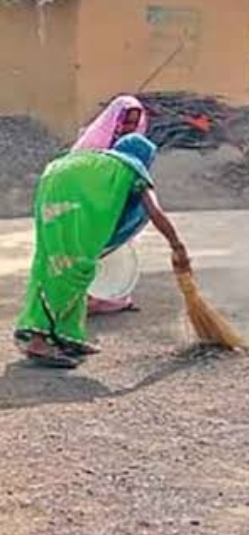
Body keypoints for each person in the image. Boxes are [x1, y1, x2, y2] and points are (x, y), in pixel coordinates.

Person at [14, 134, 190, 368]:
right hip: (70, 200)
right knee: (71, 269)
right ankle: (37, 340)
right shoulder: (131, 166)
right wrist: (177, 245)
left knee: (52, 262)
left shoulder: (99, 160)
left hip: (52, 185)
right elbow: (154, 211)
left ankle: (67, 334)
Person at [73, 95, 150, 314]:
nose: (129, 127)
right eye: (126, 121)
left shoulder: (134, 146)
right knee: (90, 254)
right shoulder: (93, 145)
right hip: (90, 208)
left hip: (118, 210)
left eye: (134, 123)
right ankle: (84, 299)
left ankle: (114, 298)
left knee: (117, 253)